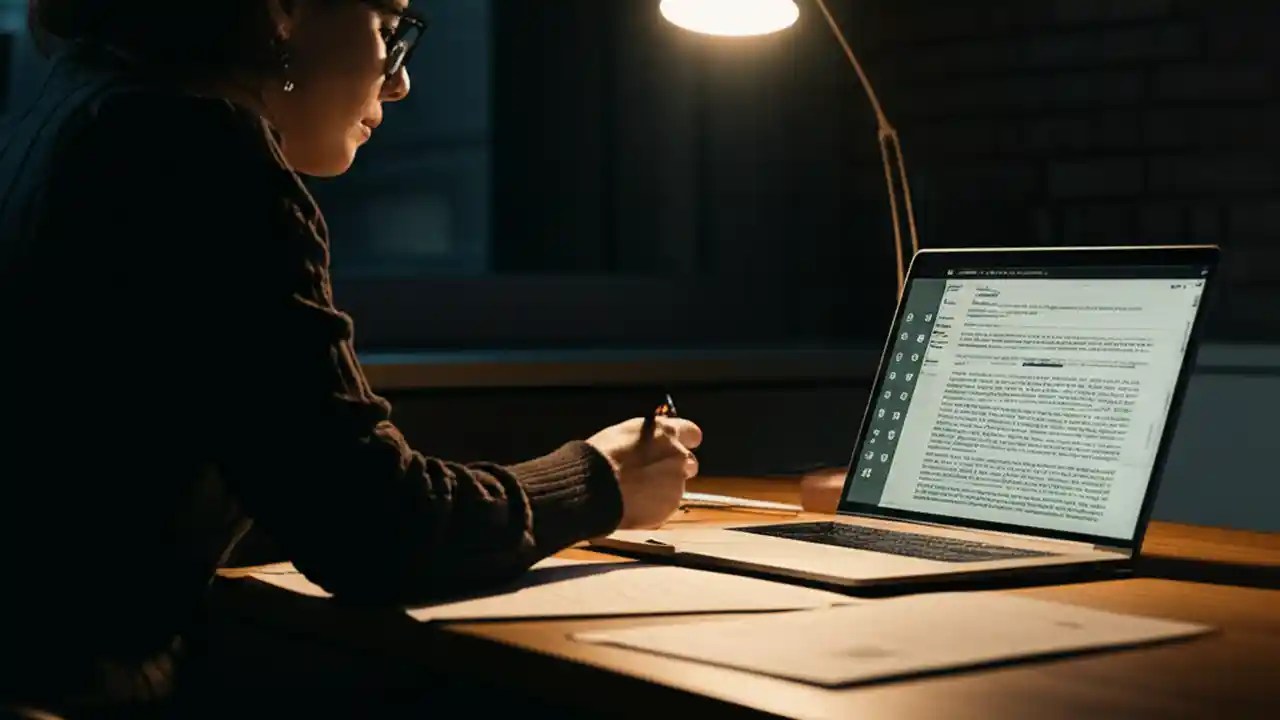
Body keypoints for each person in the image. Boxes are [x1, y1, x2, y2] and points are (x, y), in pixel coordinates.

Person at [0, 0, 702, 715]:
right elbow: (376, 526)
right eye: (388, 25)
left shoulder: (73, 117)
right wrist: (600, 479)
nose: (397, 83)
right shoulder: (205, 157)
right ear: (285, 11)